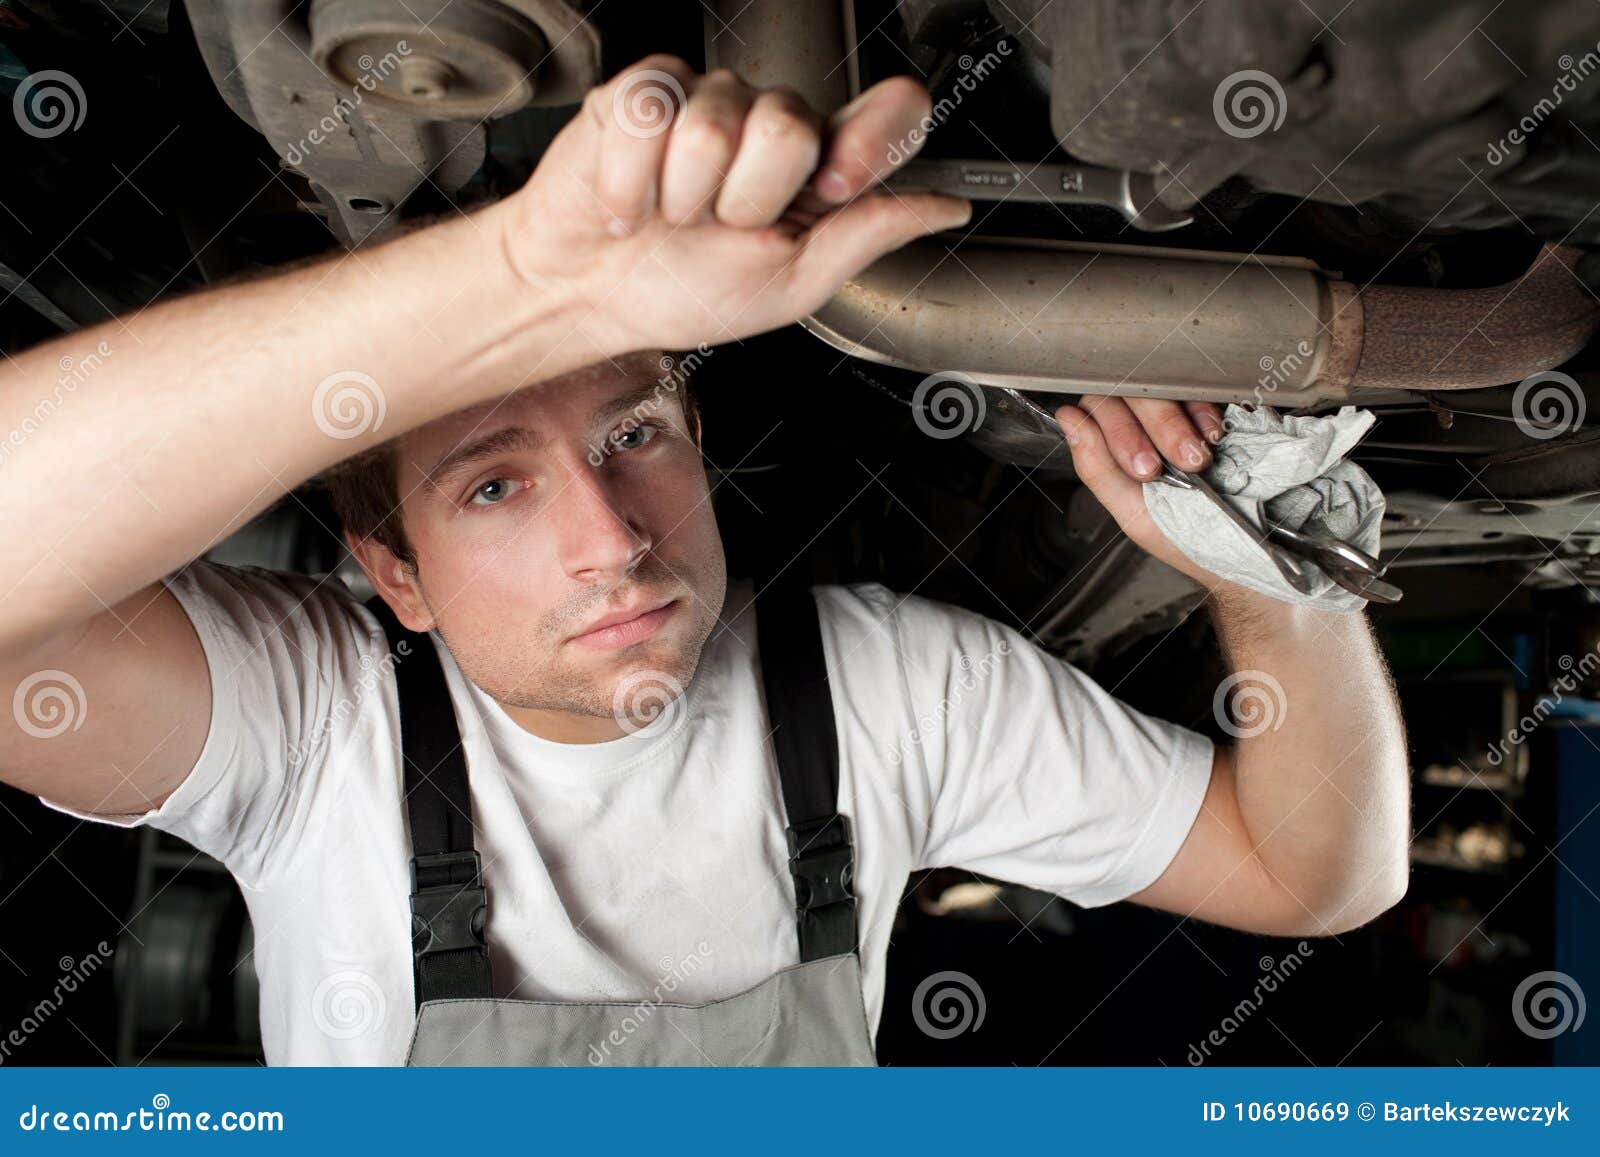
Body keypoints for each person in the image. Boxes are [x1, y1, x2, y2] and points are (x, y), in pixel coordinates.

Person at [0, 57, 1409, 1065]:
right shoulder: (312, 726)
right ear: (396, 572)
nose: (611, 540)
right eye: (495, 484)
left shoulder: (879, 693)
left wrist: (1261, 578)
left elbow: (1315, 875)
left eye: (634, 435)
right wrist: (526, 281)